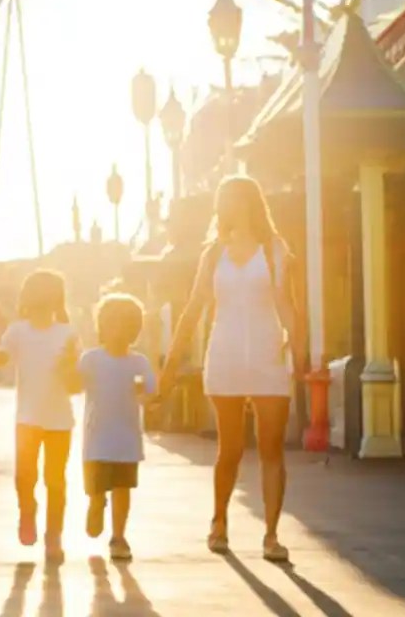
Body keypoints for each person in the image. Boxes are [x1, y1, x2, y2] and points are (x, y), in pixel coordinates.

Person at [161, 175, 304, 562]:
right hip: (224, 355)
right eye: (220, 198)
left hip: (267, 356)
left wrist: (303, 358)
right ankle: (219, 522)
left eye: (230, 197)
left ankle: (271, 535)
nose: (223, 205)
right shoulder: (213, 254)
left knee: (272, 447)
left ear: (248, 202)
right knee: (231, 448)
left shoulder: (274, 249)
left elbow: (288, 306)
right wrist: (171, 364)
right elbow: (193, 309)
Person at [0, 270, 80, 562]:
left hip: (60, 420)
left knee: (56, 479)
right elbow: (3, 354)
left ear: (57, 301)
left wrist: (71, 367)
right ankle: (27, 510)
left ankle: (54, 536)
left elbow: (77, 377)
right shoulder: (18, 331)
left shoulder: (68, 334)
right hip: (27, 418)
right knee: (25, 476)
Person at [80, 293, 156, 562]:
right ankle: (96, 502)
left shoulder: (139, 362)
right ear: (102, 325)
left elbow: (151, 392)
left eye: (127, 326)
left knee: (123, 488)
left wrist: (143, 392)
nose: (120, 331)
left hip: (127, 439)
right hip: (97, 438)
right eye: (114, 324)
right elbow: (74, 383)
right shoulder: (90, 359)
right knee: (97, 483)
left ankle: (119, 537)